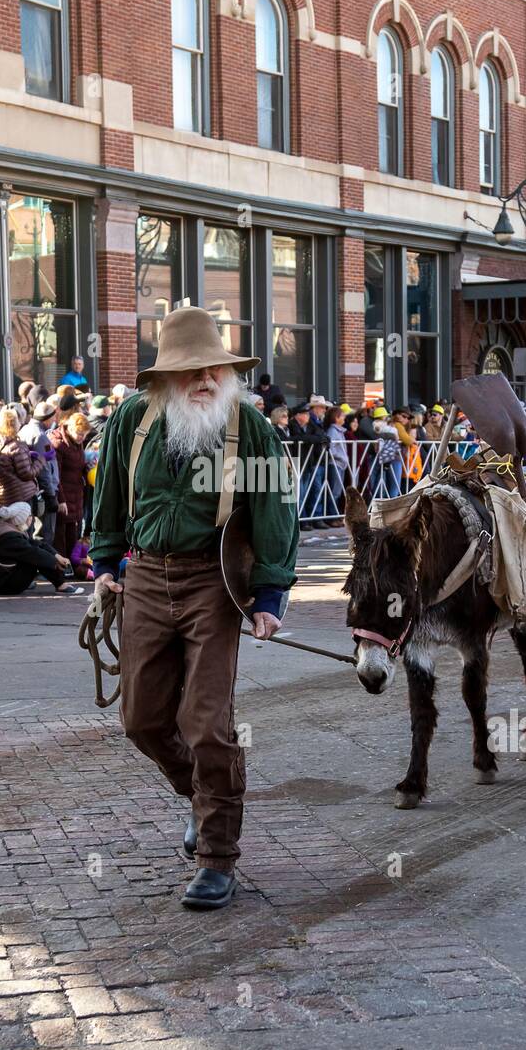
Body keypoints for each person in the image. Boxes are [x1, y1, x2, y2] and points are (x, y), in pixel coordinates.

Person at [91, 306, 298, 912]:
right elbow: (107, 498)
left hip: (215, 583)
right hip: (145, 582)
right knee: (142, 720)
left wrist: (270, 594)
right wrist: (104, 565)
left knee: (206, 724)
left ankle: (216, 856)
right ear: (165, 377)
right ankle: (200, 799)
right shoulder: (132, 419)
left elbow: (275, 509)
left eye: (213, 367)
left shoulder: (250, 428)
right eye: (191, 369)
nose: (205, 379)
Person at [0, 503, 79, 596]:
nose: (32, 517)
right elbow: (35, 553)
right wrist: (55, 563)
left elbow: (38, 544)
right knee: (36, 557)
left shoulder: (11, 531)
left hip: (6, 579)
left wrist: (57, 555)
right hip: (5, 586)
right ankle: (60, 584)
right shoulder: (10, 537)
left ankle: (60, 583)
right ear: (22, 519)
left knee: (37, 551)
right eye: (29, 515)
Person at [0, 405, 43, 510]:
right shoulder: (16, 446)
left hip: (5, 497)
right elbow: (27, 473)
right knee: (25, 526)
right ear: (14, 424)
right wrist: (40, 460)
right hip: (23, 495)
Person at [20, 401, 61, 546]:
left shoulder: (24, 429)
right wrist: (50, 495)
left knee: (33, 531)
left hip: (32, 489)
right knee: (45, 534)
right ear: (48, 418)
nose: (55, 421)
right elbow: (44, 468)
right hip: (43, 491)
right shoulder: (40, 436)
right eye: (53, 418)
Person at [50, 410, 88, 563]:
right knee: (60, 535)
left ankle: (74, 565)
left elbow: (78, 465)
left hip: (76, 493)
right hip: (64, 494)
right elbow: (55, 475)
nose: (82, 437)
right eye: (79, 433)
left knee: (73, 533)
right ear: (70, 428)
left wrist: (87, 468)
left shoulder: (77, 443)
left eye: (84, 434)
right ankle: (62, 566)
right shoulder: (58, 443)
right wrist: (61, 499)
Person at [289, 400, 330, 529]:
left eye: (307, 413)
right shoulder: (292, 425)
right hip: (297, 462)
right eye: (304, 413)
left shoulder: (311, 425)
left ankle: (306, 519)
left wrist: (316, 439)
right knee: (299, 494)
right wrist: (314, 439)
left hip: (308, 463)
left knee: (306, 493)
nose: (307, 416)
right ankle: (300, 520)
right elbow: (298, 438)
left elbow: (322, 436)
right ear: (297, 415)